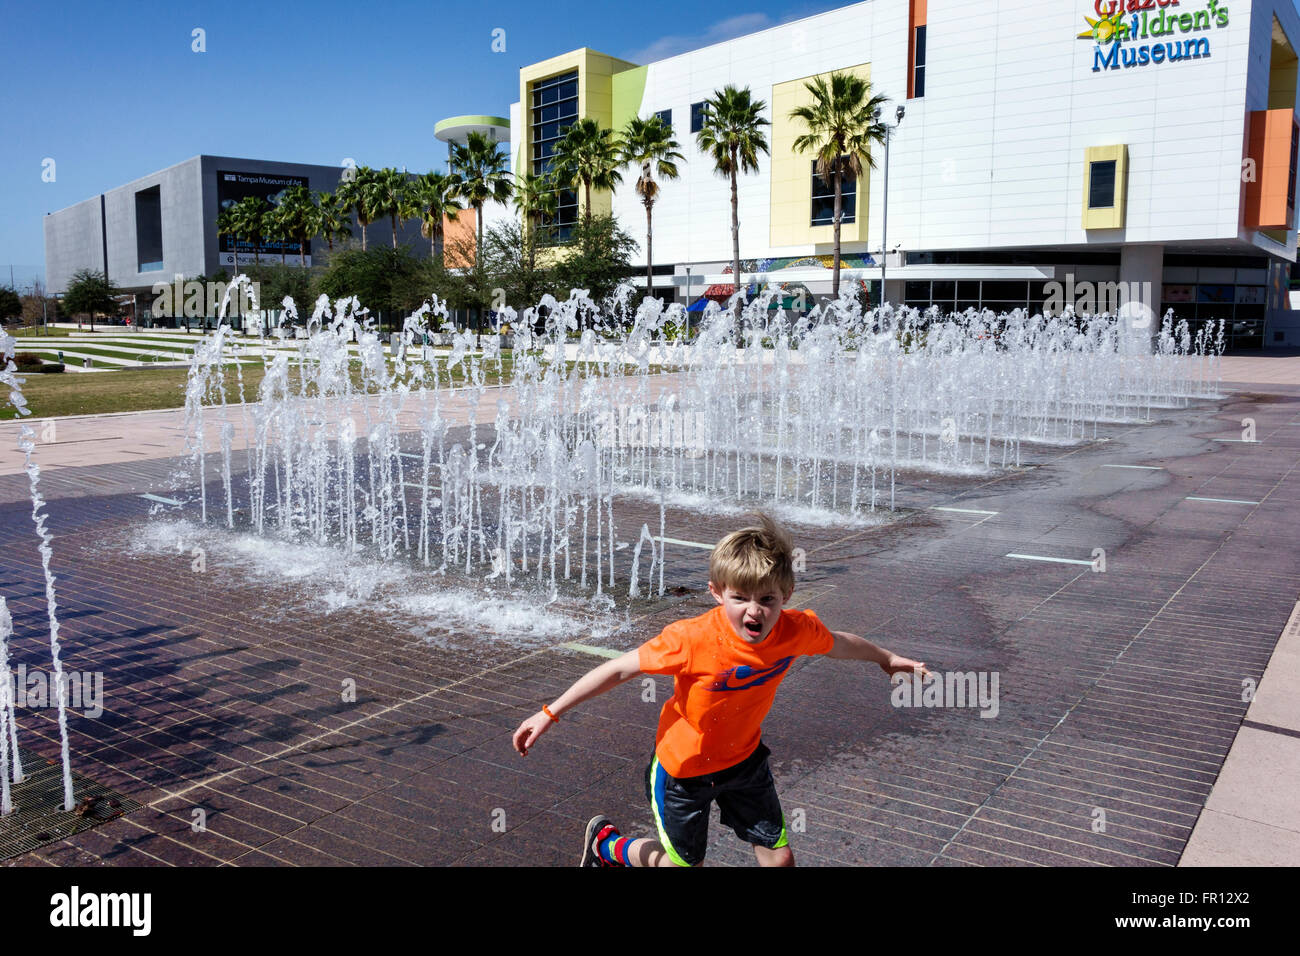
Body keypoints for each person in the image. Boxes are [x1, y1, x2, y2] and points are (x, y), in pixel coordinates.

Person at [511, 513, 931, 867]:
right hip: (682, 770)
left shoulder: (794, 629)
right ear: (716, 593)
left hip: (744, 760)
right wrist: (549, 713)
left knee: (779, 858)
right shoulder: (690, 639)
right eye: (740, 597)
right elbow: (620, 669)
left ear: (786, 594)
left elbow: (839, 643)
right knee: (680, 865)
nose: (754, 610)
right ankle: (606, 844)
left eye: (767, 598)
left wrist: (886, 658)